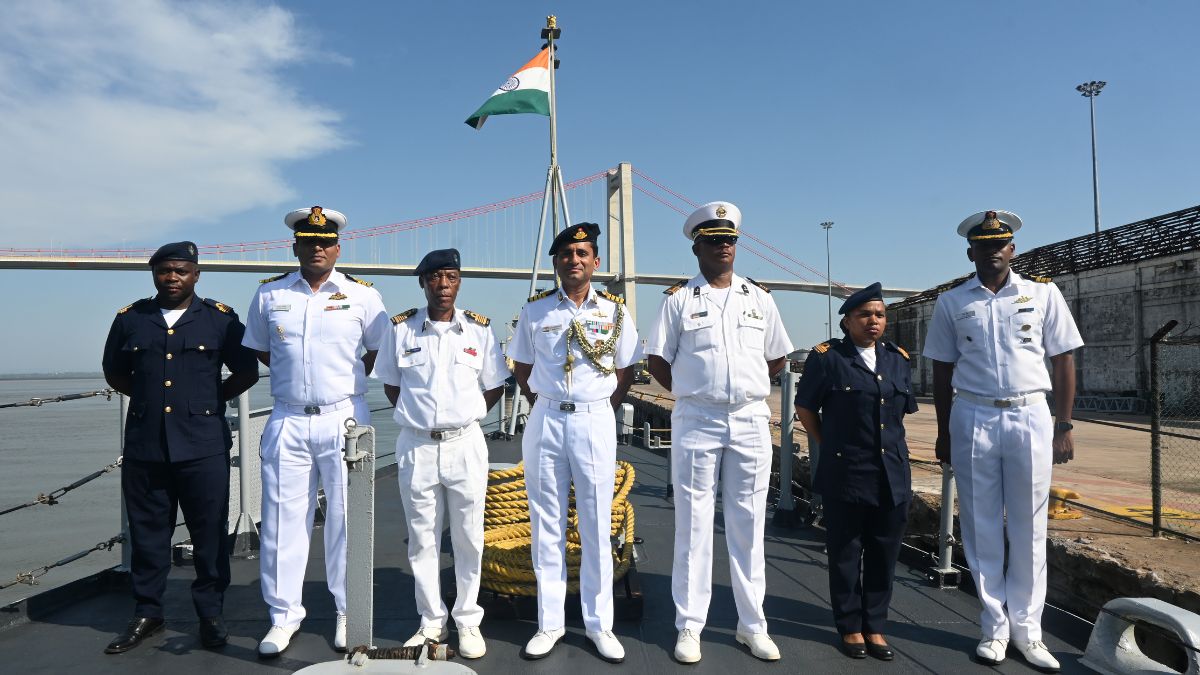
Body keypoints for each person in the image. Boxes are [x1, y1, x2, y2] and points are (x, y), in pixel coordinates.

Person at [923, 210, 1082, 672]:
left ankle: (1029, 632)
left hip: (1031, 412)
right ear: (970, 252)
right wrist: (943, 431)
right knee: (980, 524)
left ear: (1012, 249)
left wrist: (1064, 423)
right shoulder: (952, 302)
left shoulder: (1043, 294)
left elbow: (1064, 358)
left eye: (1001, 243)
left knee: (1031, 528)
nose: (993, 250)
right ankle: (994, 627)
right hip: (973, 414)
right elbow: (941, 370)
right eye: (983, 244)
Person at [645, 201, 793, 664]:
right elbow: (656, 361)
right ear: (698, 249)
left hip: (749, 420)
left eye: (729, 239)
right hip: (697, 420)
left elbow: (777, 357)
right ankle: (689, 626)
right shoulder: (678, 300)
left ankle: (753, 625)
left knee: (749, 525)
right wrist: (693, 392)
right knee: (693, 524)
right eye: (713, 241)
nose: (723, 247)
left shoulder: (760, 298)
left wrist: (744, 391)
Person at [242, 206, 389, 657]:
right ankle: (283, 617)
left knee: (347, 520)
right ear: (296, 247)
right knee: (283, 523)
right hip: (287, 418)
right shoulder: (269, 295)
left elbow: (378, 352)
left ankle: (348, 611)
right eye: (309, 242)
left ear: (338, 248)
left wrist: (339, 387)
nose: (318, 248)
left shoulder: (363, 296)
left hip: (344, 417)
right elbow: (264, 352)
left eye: (325, 243)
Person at [101, 241, 259, 654]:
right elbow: (114, 372)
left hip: (202, 445)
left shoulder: (220, 320)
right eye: (164, 271)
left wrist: (209, 400)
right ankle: (148, 612)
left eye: (181, 271)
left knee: (209, 534)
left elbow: (247, 370)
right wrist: (151, 402)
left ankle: (210, 615)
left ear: (196, 275)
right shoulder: (132, 319)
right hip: (146, 444)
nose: (172, 277)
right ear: (154, 274)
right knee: (148, 534)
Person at [508, 222, 642, 663]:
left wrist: (598, 406)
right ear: (557, 262)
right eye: (567, 254)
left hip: (593, 421)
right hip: (546, 420)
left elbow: (626, 369)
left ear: (595, 262)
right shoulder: (536, 312)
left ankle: (599, 624)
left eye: (583, 253)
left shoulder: (615, 312)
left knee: (596, 522)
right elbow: (522, 367)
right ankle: (550, 623)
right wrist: (546, 402)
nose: (575, 260)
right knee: (545, 522)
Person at [373, 248, 509, 659]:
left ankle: (467, 619)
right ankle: (432, 621)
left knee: (469, 537)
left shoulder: (479, 331)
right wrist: (418, 419)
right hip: (417, 445)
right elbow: (391, 385)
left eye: (450, 277)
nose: (443, 285)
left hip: (465, 443)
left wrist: (466, 417)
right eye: (435, 278)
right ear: (423, 283)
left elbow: (494, 384)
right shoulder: (401, 331)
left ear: (459, 282)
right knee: (422, 538)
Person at [793, 282, 916, 662]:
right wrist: (828, 444)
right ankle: (850, 626)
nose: (874, 321)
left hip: (891, 472)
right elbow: (806, 409)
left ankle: (875, 625)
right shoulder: (827, 358)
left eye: (879, 315)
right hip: (847, 472)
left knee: (884, 552)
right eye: (865, 315)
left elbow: (900, 415)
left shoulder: (897, 358)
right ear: (847, 321)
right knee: (845, 554)